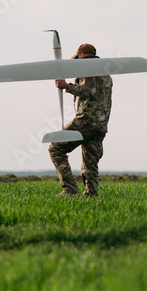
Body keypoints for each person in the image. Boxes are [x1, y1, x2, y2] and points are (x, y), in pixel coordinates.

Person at [49, 43, 112, 197]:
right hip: (101, 125)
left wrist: (66, 86)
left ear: (82, 55)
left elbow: (88, 90)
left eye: (77, 58)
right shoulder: (105, 73)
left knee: (55, 148)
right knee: (90, 163)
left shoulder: (88, 67)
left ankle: (69, 189)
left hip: (86, 121)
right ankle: (91, 196)